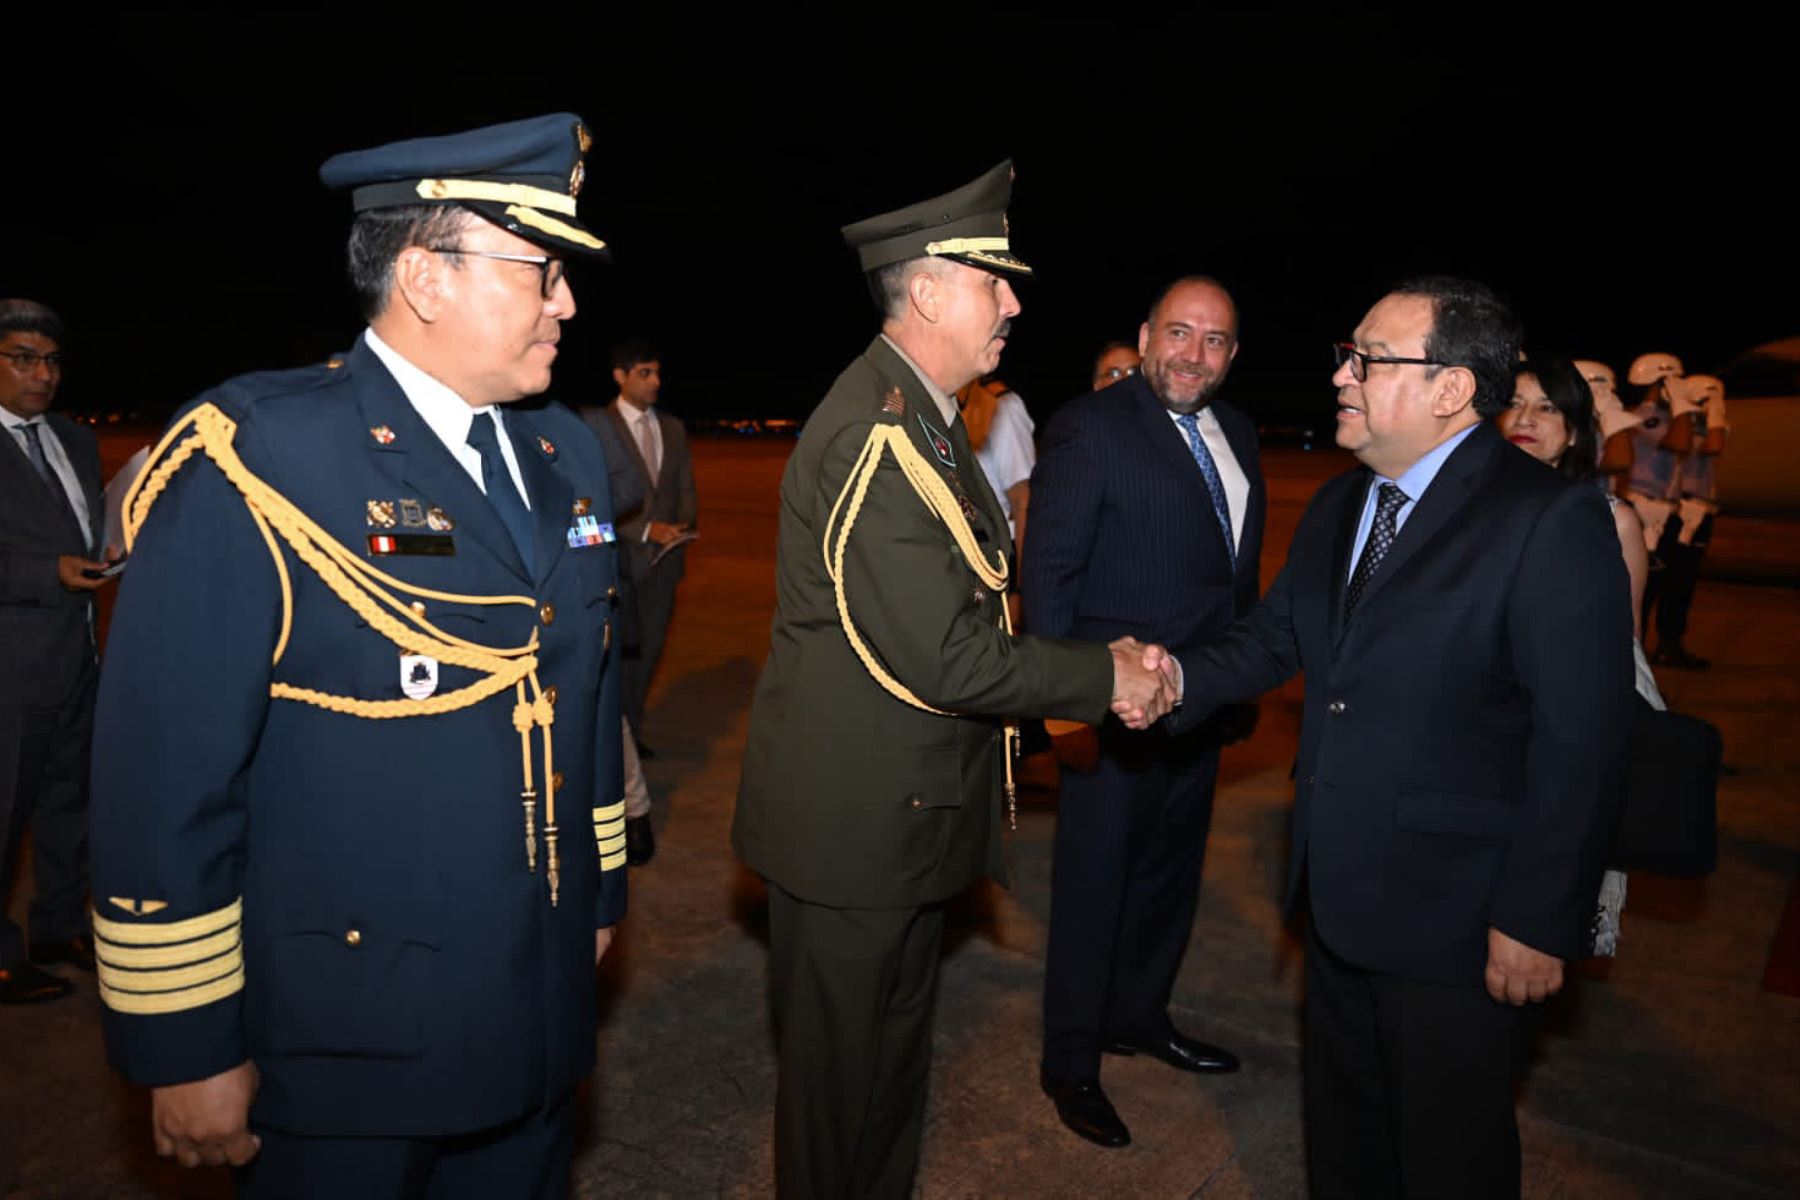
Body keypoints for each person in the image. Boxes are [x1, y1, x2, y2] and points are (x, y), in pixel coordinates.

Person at [88, 113, 626, 1197]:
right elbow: (166, 773)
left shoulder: (564, 448)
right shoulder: (262, 458)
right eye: (541, 271)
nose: (567, 301)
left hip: (533, 1008)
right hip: (348, 1044)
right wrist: (186, 1042)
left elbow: (586, 693)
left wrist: (599, 901)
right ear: (426, 276)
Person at [732, 161, 1176, 1200]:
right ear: (927, 292)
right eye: (994, 281)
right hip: (852, 835)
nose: (1014, 302)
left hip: (897, 820)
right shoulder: (877, 436)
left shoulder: (925, 416)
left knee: (885, 1079)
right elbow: (945, 653)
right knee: (841, 1098)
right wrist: (1101, 677)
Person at [1168, 277, 1634, 1197]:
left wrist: (1538, 920)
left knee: (1447, 1151)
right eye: (1348, 354)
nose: (1342, 375)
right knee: (1348, 1137)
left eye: (1368, 359)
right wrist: (1160, 678)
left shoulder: (1546, 517)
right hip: (1338, 892)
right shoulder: (1347, 504)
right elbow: (1273, 642)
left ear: (1452, 389)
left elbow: (1583, 740)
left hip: (1460, 918)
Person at [1024, 276, 1265, 1148]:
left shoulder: (1236, 433)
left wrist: (1232, 688)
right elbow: (1047, 579)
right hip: (1109, 713)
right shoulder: (1092, 427)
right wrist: (1060, 714)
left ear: (1232, 355)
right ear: (1146, 333)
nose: (1193, 354)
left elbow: (1235, 578)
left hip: (1198, 712)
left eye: (1214, 340)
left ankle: (1138, 1016)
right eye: (1179, 332)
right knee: (1093, 890)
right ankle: (1072, 1060)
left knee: (1168, 880)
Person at [1495, 356, 1666, 954]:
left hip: (1549, 739)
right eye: (1515, 403)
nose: (1525, 418)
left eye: (1547, 408)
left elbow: (1622, 653)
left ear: (1574, 429)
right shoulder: (1469, 508)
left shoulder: (1610, 519)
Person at [0, 299, 110, 1004]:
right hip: (11, 666)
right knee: (5, 813)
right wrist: (49, 574)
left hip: (79, 653)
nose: (42, 375)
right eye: (21, 359)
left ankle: (60, 926)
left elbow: (88, 528)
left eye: (51, 361)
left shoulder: (72, 439)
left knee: (72, 801)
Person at [600, 339, 695, 757]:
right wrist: (644, 530)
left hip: (664, 567)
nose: (656, 381)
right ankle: (609, 742)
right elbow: (595, 497)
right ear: (620, 376)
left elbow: (685, 488)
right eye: (644, 373)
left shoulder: (672, 428)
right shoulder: (597, 427)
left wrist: (683, 526)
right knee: (615, 663)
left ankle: (631, 736)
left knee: (649, 656)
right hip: (619, 566)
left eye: (657, 372)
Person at [577, 388, 660, 865]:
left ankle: (635, 816)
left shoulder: (580, 421)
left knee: (606, 714)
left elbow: (629, 488)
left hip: (579, 589)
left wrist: (576, 513)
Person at [957, 374, 1036, 558]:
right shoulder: (943, 406)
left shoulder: (1001, 405)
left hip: (997, 551)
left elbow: (1023, 500)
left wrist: (1024, 581)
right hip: (960, 553)